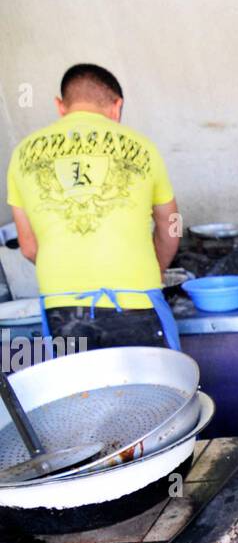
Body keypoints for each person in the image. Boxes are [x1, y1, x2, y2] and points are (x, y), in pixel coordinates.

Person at [6, 63, 181, 351]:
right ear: (117, 106)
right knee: (160, 391)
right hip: (137, 296)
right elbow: (172, 225)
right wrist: (154, 270)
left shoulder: (22, 154)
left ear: (61, 106)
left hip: (62, 305)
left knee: (83, 393)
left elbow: (28, 246)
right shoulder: (144, 147)